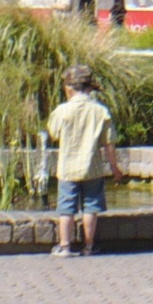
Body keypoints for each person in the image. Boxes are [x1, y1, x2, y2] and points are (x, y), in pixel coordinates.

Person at [48, 64, 124, 257]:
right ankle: (89, 246)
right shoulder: (100, 111)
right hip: (93, 168)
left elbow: (54, 133)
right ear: (89, 87)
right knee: (91, 207)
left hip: (67, 168)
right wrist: (115, 167)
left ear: (69, 88)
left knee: (67, 208)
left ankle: (65, 245)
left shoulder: (62, 110)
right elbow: (109, 143)